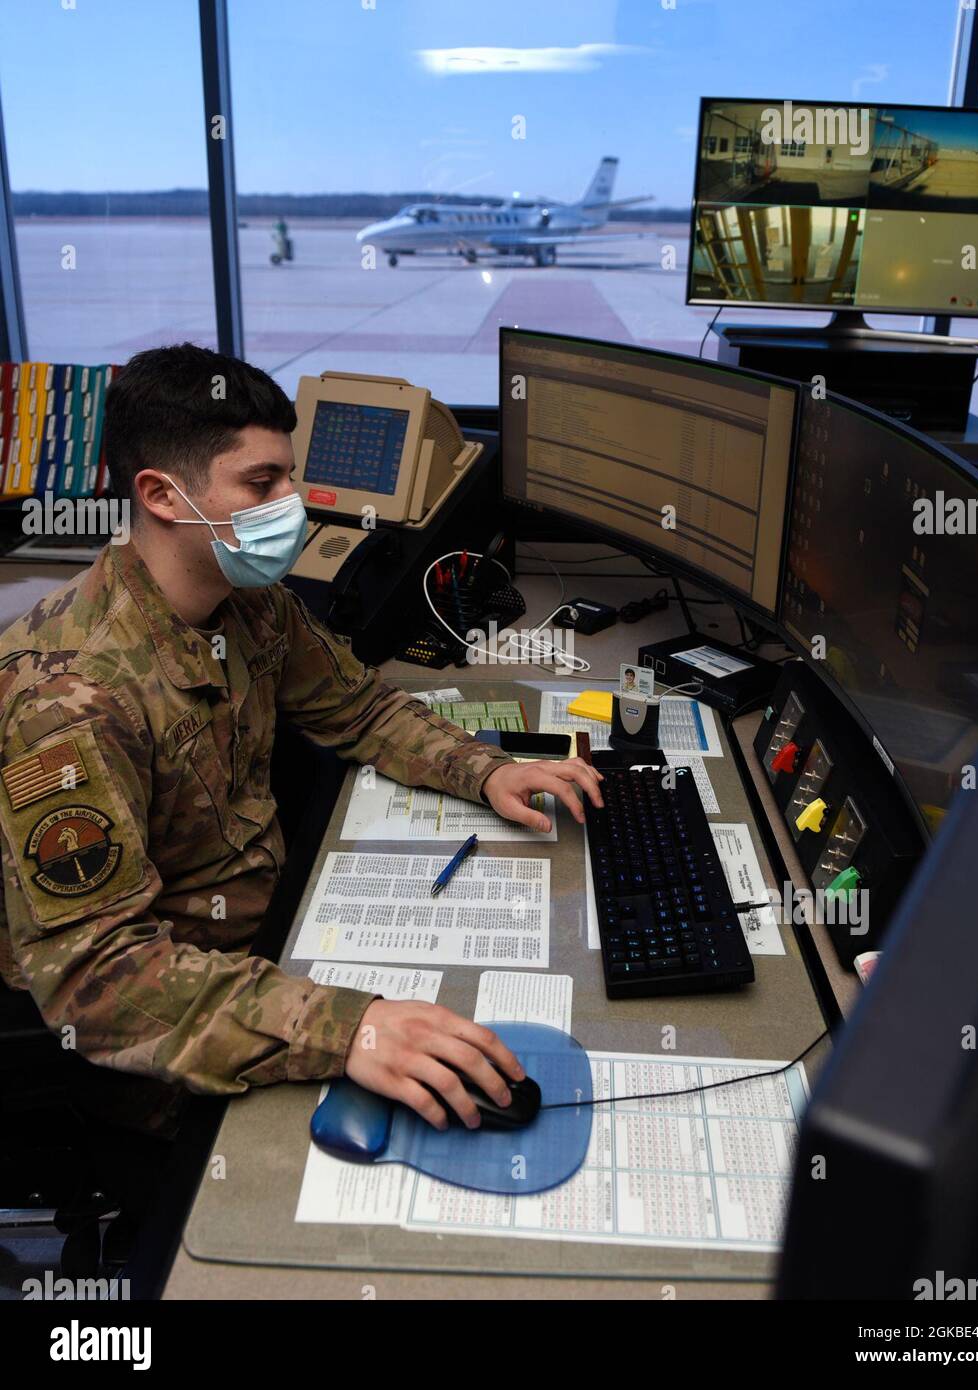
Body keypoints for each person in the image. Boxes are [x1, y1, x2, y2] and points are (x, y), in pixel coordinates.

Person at [0, 344, 604, 1169]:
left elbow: (357, 707)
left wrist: (486, 769)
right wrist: (347, 1028)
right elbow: (97, 983)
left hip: (262, 946)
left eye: (290, 477)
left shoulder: (248, 603)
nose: (295, 503)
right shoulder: (69, 702)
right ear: (161, 496)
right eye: (262, 484)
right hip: (168, 1028)